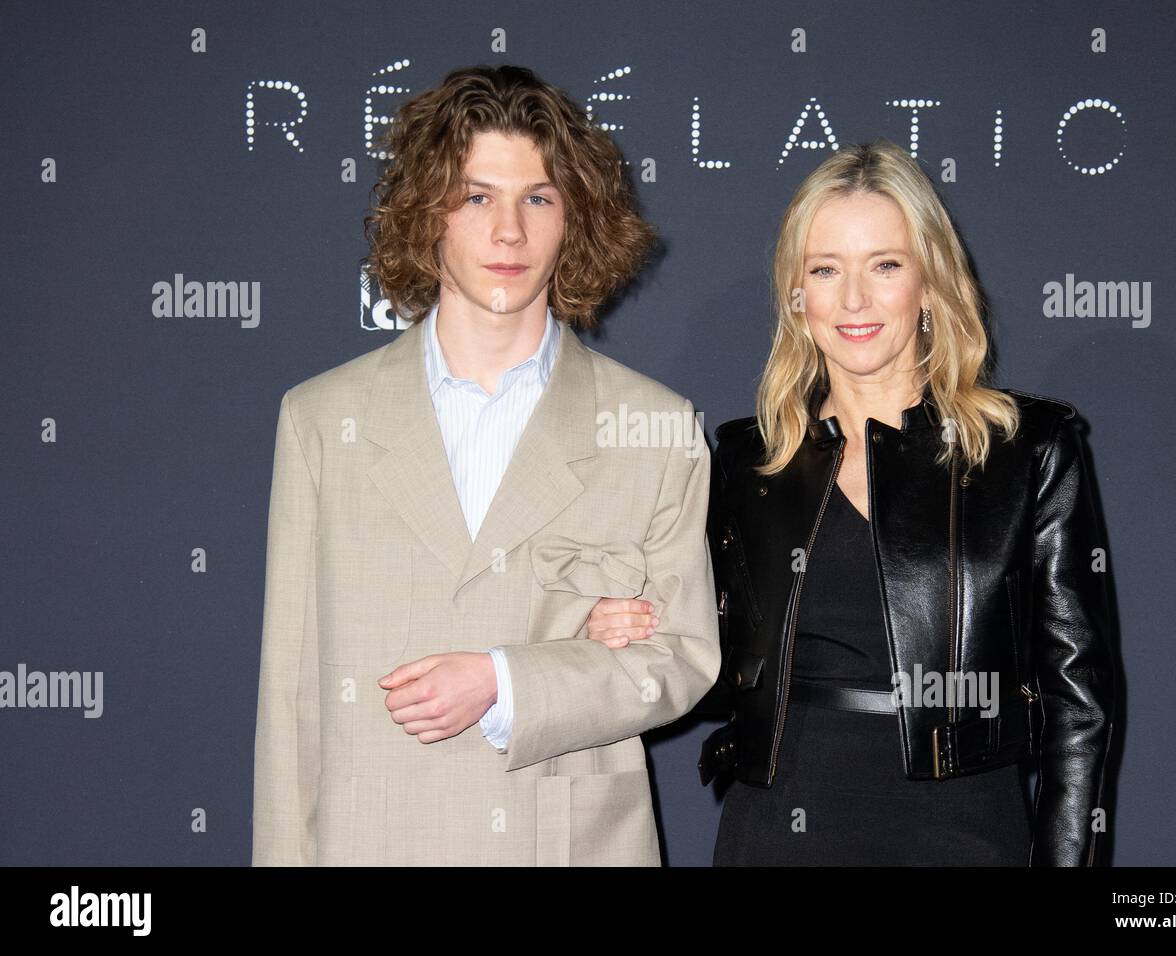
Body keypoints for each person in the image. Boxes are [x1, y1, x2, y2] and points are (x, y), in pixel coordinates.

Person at [586, 139, 1115, 866]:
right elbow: (716, 671)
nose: (855, 300)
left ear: (931, 282)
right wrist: (640, 630)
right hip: (777, 829)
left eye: (885, 266)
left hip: (963, 832)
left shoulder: (1028, 450)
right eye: (826, 270)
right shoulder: (748, 459)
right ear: (798, 296)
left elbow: (1078, 703)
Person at [251, 64, 720, 866]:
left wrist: (507, 682)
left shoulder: (656, 429)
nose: (509, 232)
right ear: (426, 213)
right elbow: (292, 703)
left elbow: (679, 658)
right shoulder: (323, 421)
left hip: (568, 844)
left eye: (537, 198)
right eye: (477, 196)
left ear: (576, 218)